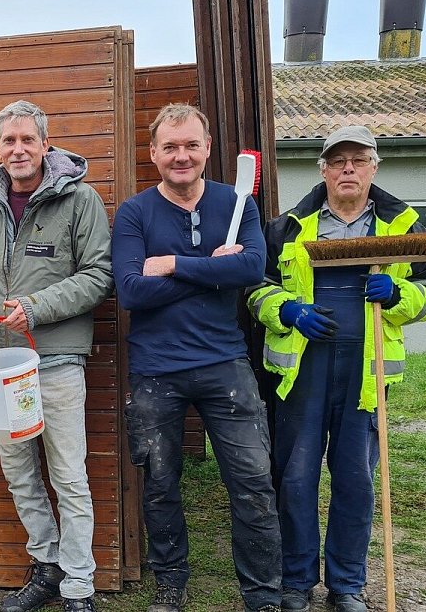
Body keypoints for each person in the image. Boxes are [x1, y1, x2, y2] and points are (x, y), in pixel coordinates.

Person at [248, 126, 426, 612]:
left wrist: (398, 294)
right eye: (338, 161)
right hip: (303, 371)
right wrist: (288, 310)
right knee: (295, 479)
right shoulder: (287, 227)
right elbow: (255, 290)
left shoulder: (405, 226)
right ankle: (296, 582)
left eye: (358, 160)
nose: (348, 169)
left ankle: (347, 584)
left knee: (356, 480)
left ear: (374, 166)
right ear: (324, 170)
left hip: (365, 372)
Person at [111, 103, 282, 612]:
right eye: (170, 147)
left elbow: (251, 269)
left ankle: (263, 593)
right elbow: (131, 291)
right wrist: (211, 271)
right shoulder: (135, 213)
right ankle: (170, 582)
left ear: (207, 148)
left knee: (252, 481)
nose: (180, 156)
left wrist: (173, 265)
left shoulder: (236, 203)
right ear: (153, 153)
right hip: (156, 370)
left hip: (224, 363)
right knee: (160, 484)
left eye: (190, 145)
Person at [0, 100, 113, 612]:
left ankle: (78, 585)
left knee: (68, 475)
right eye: (9, 140)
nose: (18, 149)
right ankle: (47, 566)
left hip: (56, 361)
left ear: (46, 144)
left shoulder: (79, 198)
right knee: (20, 475)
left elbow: (99, 275)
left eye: (28, 139)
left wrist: (36, 307)